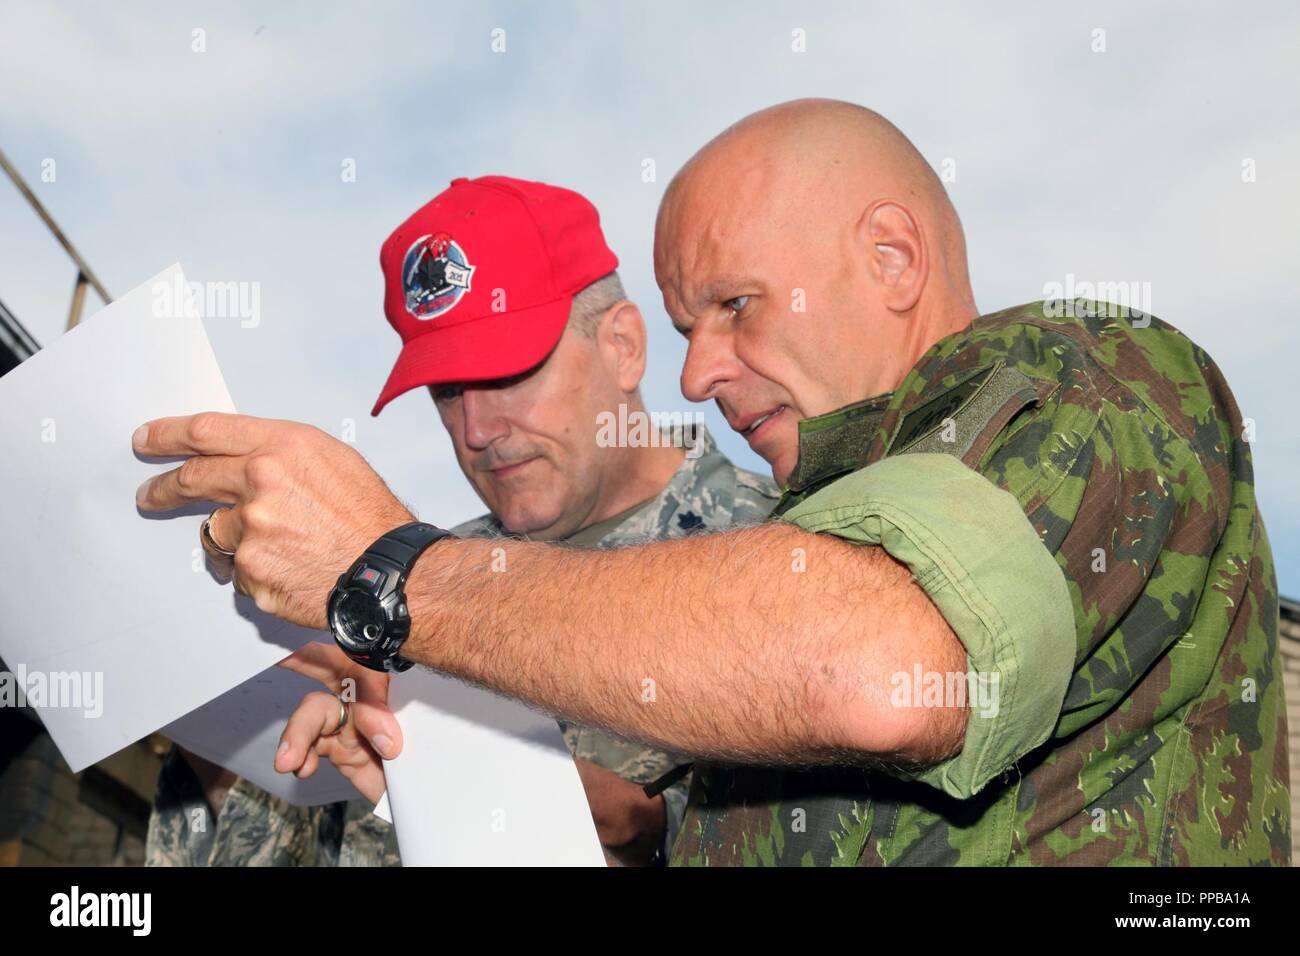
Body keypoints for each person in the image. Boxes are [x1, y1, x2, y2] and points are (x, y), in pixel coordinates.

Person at [135, 99, 1289, 866]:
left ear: (892, 257)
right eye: (692, 322)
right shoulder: (811, 534)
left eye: (733, 304)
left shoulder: (1086, 367)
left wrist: (398, 573)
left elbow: (879, 663)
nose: (699, 369)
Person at [148, 175, 778, 866]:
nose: (477, 428)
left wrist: (632, 823)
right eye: (448, 392)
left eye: (509, 373)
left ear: (623, 345)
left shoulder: (793, 555)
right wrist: (228, 732)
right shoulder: (380, 602)